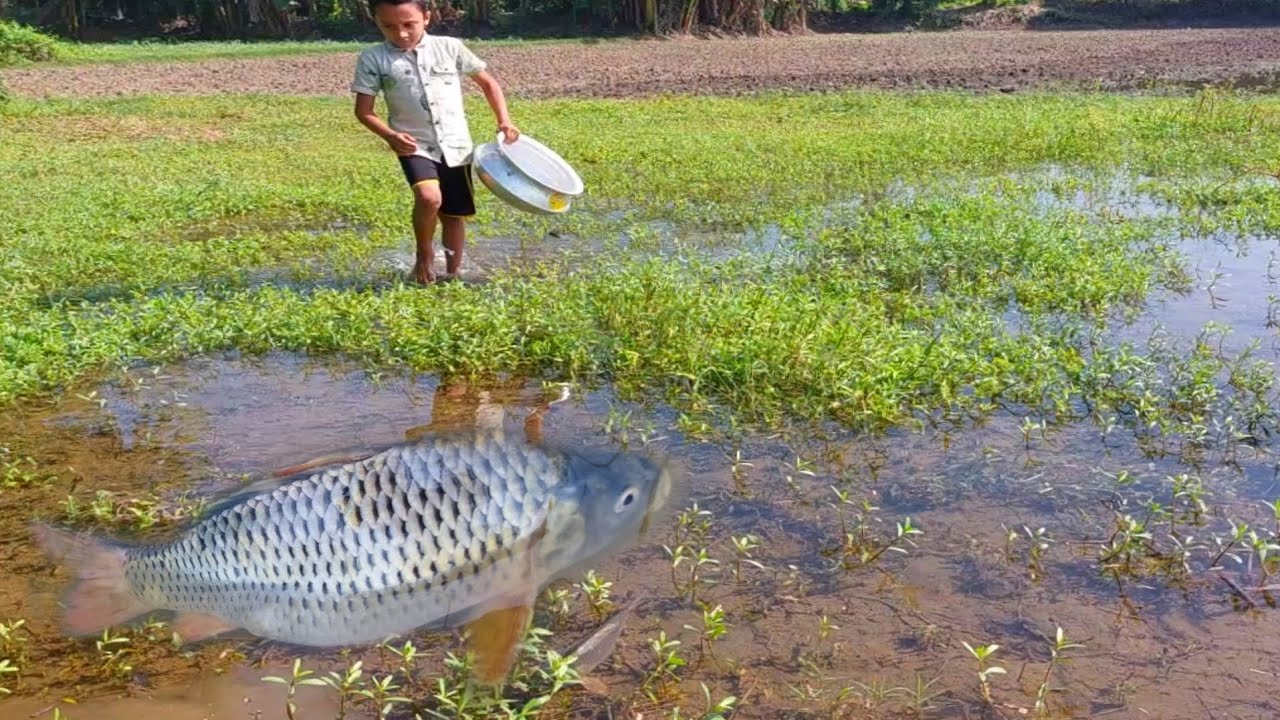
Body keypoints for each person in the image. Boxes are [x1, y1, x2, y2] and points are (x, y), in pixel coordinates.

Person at [351, 0, 520, 285]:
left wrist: (504, 120)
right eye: (389, 26)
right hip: (413, 144)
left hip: (456, 146)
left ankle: (453, 273)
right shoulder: (373, 58)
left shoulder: (450, 47)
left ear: (426, 18)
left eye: (408, 25)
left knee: (454, 214)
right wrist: (390, 136)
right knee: (429, 198)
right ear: (376, 22)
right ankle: (424, 253)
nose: (401, 33)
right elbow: (364, 111)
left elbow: (489, 84)